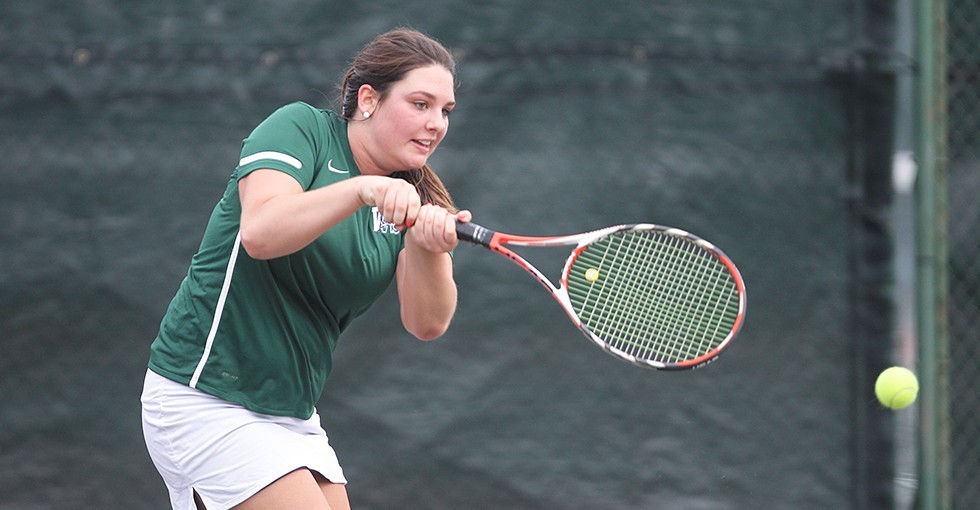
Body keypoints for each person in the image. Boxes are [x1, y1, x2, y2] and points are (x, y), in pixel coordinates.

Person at [140, 28, 469, 510]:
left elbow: (427, 323)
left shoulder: (412, 199)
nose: (436, 123)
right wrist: (360, 190)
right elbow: (261, 232)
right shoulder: (300, 129)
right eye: (421, 104)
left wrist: (428, 249)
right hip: (205, 396)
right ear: (369, 99)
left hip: (291, 413)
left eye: (445, 111)